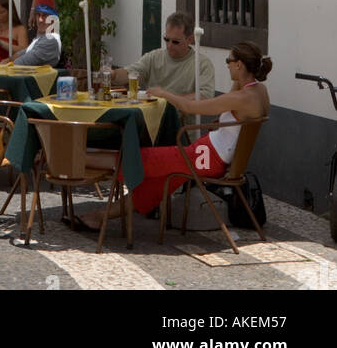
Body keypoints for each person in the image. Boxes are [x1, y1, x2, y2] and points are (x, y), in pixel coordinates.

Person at [80, 42, 271, 229]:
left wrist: (164, 94)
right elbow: (236, 119)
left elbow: (191, 107)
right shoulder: (259, 91)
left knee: (137, 157)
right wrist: (238, 79)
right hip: (210, 156)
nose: (227, 65)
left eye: (229, 61)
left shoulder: (240, 98)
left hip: (204, 158)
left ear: (239, 65)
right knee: (154, 185)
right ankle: (101, 217)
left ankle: (74, 159)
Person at [112, 12, 216, 103]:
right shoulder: (154, 57)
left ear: (190, 39)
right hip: (151, 119)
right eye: (166, 39)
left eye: (175, 41)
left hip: (180, 122)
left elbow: (204, 97)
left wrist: (166, 97)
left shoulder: (201, 64)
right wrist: (113, 75)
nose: (169, 45)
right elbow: (131, 72)